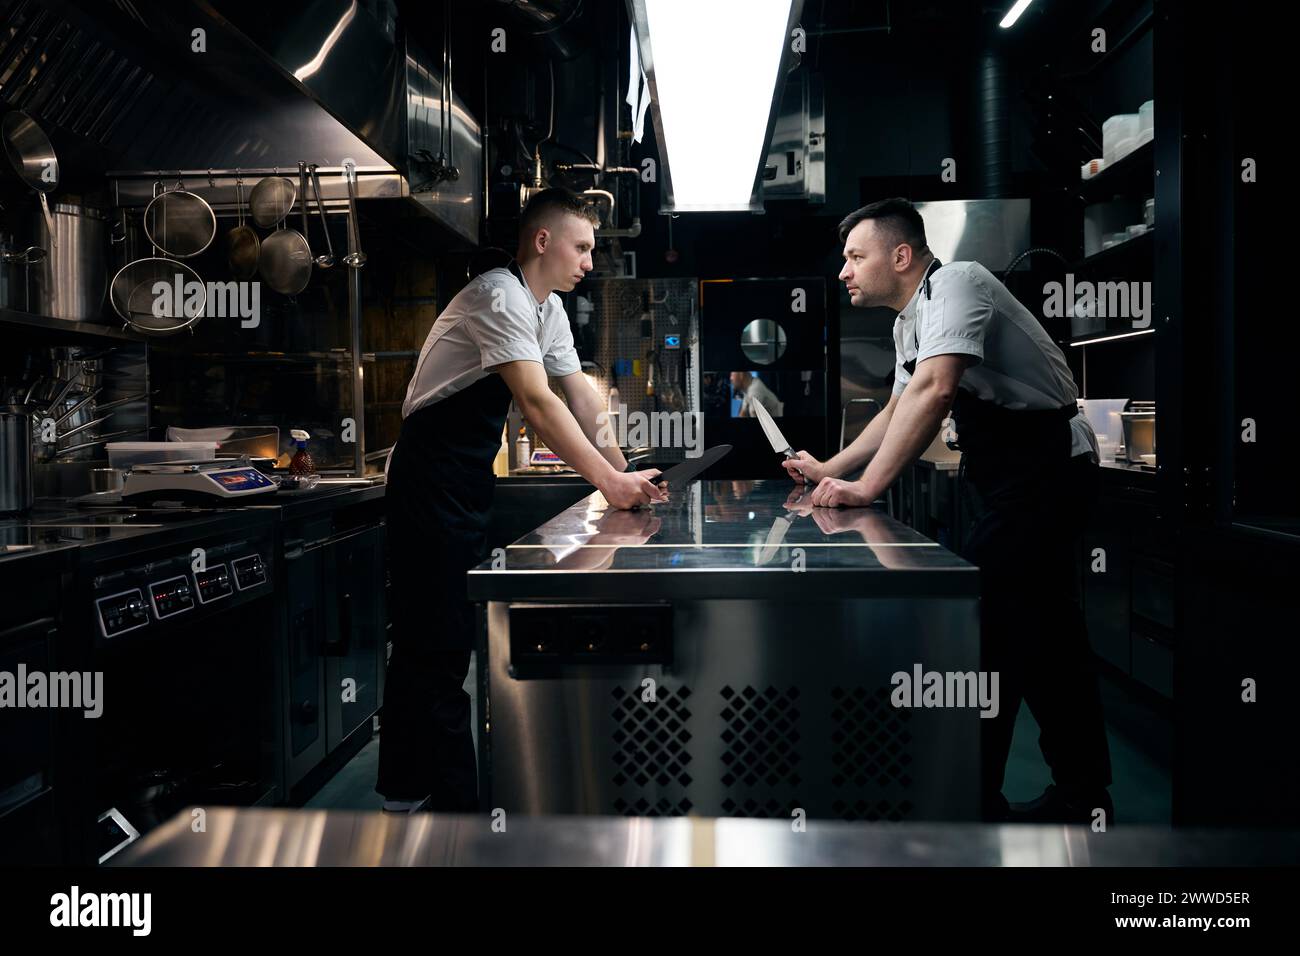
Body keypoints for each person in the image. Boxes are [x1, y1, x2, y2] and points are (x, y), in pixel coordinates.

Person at [783, 197, 1113, 823]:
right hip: (1008, 480)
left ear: (900, 255)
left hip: (1049, 471)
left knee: (988, 631)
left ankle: (971, 800)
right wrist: (830, 469)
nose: (844, 272)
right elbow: (895, 408)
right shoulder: (911, 320)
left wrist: (866, 488)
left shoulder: (961, 283)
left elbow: (935, 390)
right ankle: (1083, 793)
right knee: (1048, 636)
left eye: (856, 257)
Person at [378, 188, 667, 813]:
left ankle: (403, 789)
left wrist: (626, 472)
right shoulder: (498, 295)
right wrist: (606, 484)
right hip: (428, 480)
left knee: (437, 635)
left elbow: (580, 398)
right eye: (582, 247)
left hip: (463, 480)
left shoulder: (547, 309)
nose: (590, 262)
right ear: (543, 242)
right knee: (438, 637)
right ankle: (450, 808)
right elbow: (538, 406)